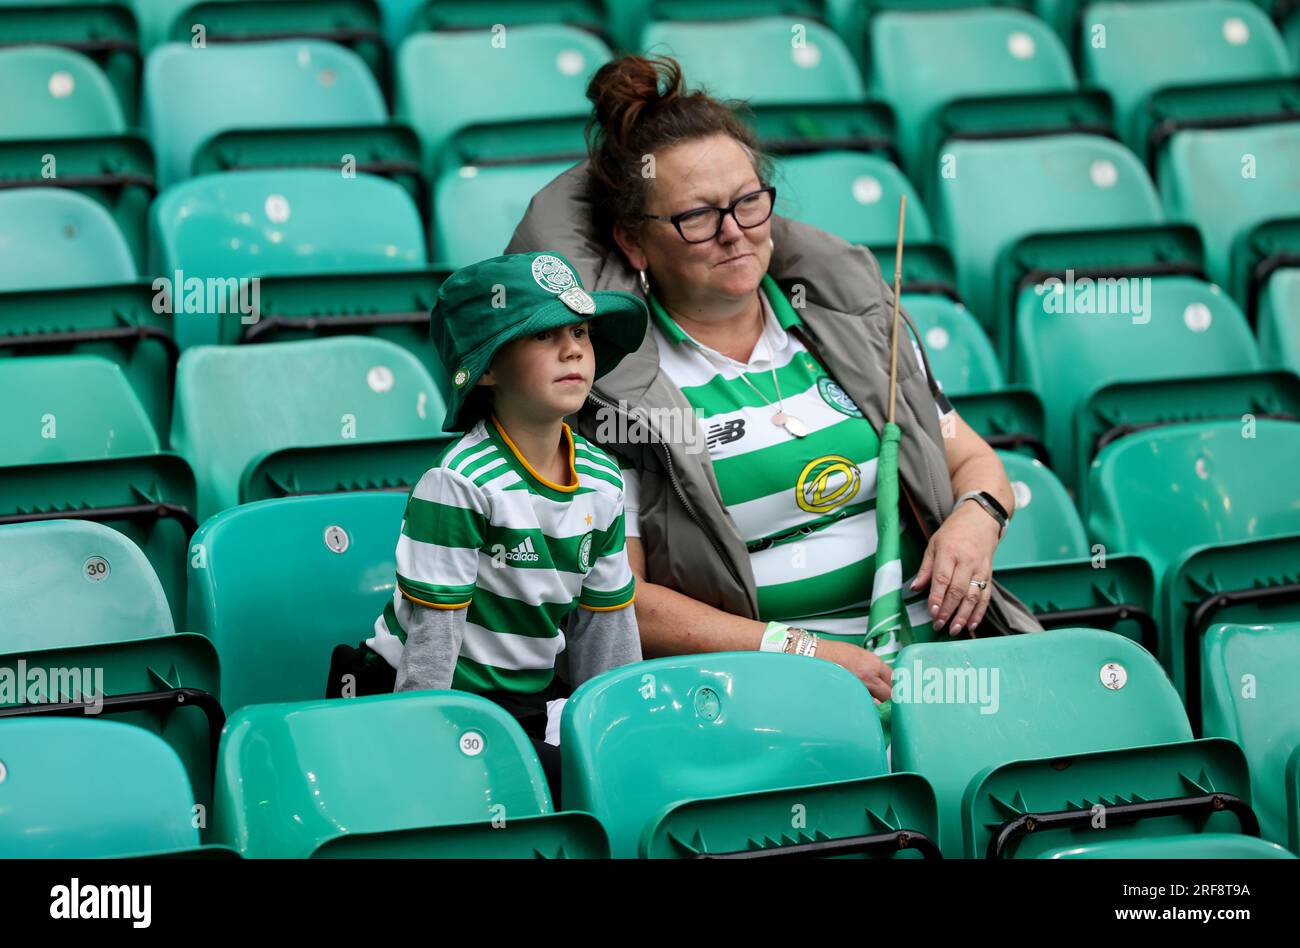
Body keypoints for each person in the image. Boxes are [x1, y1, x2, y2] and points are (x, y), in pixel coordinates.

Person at [506, 55, 1041, 740]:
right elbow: (625, 603)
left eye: (748, 200)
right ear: (633, 241)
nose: (734, 231)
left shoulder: (850, 323)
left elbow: (972, 460)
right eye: (696, 216)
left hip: (939, 677)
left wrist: (978, 516)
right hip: (751, 707)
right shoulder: (610, 388)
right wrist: (801, 653)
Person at [327, 251, 647, 792]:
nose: (572, 348)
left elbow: (606, 631)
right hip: (425, 698)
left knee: (627, 778)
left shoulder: (604, 480)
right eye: (543, 335)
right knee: (551, 793)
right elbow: (433, 644)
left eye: (580, 331)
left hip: (527, 703)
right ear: (489, 368)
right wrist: (420, 756)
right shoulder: (460, 482)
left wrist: (618, 733)